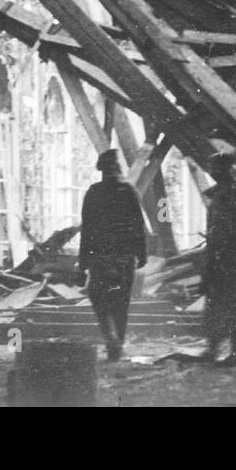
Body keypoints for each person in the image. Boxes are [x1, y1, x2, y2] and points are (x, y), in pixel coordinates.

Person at [77, 149, 147, 360]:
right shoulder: (129, 191)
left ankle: (111, 340)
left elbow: (87, 229)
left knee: (99, 298)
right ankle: (116, 346)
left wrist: (82, 262)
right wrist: (141, 254)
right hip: (124, 258)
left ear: (102, 170)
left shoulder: (94, 192)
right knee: (121, 302)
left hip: (101, 258)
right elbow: (138, 226)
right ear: (118, 168)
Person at [200, 152, 236, 368]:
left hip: (225, 259)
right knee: (219, 305)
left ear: (221, 170)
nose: (210, 171)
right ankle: (216, 349)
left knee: (227, 305)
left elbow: (226, 233)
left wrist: (211, 264)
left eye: (214, 167)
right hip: (230, 257)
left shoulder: (226, 196)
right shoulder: (229, 193)